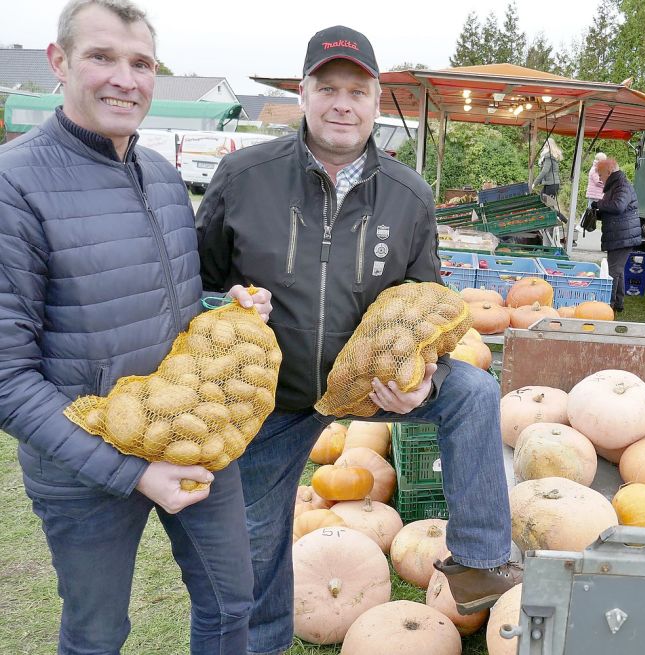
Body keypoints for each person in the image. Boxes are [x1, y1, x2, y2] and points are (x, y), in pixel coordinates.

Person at [196, 25, 520, 655]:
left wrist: (422, 374)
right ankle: (259, 644)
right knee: (257, 550)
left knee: (473, 390)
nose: (342, 103)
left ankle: (479, 558)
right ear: (304, 93)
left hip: (368, 386)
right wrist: (224, 304)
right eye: (328, 87)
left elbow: (426, 307)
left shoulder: (408, 194)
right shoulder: (242, 176)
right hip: (271, 399)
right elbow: (195, 282)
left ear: (375, 100)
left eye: (357, 90)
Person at [0, 1, 271, 653]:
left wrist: (224, 310)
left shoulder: (161, 174)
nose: (126, 78)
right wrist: (132, 470)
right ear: (59, 62)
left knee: (232, 604)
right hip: (83, 465)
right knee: (97, 633)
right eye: (102, 57)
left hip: (194, 433)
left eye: (141, 63)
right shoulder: (14, 186)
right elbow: (8, 378)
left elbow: (169, 306)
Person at [592, 157, 643, 313]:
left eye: (600, 175)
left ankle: (609, 305)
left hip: (623, 235)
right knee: (617, 270)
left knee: (613, 271)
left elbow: (618, 206)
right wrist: (599, 212)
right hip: (620, 234)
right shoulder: (616, 185)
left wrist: (598, 204)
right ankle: (618, 304)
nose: (599, 179)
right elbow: (615, 208)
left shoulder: (622, 185)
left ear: (609, 172)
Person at [533, 137, 563, 203]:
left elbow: (545, 171)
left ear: (547, 146)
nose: (543, 147)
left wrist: (535, 182)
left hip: (552, 184)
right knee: (543, 201)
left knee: (549, 205)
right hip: (550, 183)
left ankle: (557, 214)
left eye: (544, 145)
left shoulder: (548, 156)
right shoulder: (550, 156)